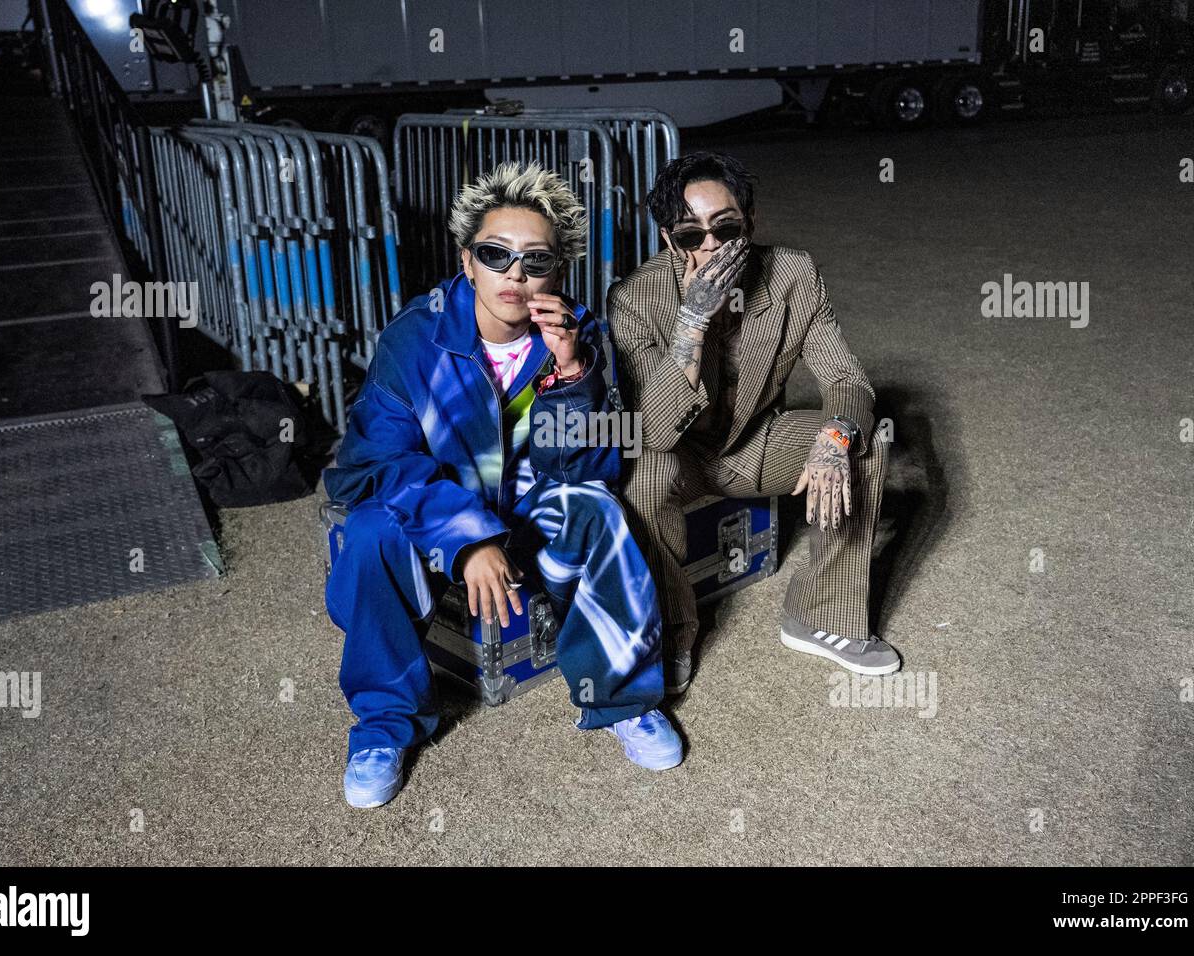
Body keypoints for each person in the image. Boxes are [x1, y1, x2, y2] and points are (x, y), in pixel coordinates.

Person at [324, 161, 680, 809]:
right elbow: (375, 460)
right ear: (468, 261)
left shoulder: (581, 336)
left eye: (535, 260)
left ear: (559, 270)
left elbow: (592, 474)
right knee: (369, 528)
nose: (515, 274)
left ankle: (622, 698)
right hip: (438, 518)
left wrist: (572, 377)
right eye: (496, 254)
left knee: (600, 511)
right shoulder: (414, 338)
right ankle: (384, 724)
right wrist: (467, 538)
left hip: (531, 512)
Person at [608, 151, 899, 694]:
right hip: (681, 454)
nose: (712, 246)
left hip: (758, 442)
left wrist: (835, 439)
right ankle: (673, 630)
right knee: (643, 475)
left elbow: (847, 380)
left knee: (864, 443)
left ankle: (822, 616)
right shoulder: (634, 299)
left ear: (751, 220)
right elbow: (654, 430)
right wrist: (692, 320)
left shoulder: (794, 274)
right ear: (669, 240)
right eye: (692, 236)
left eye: (726, 227)